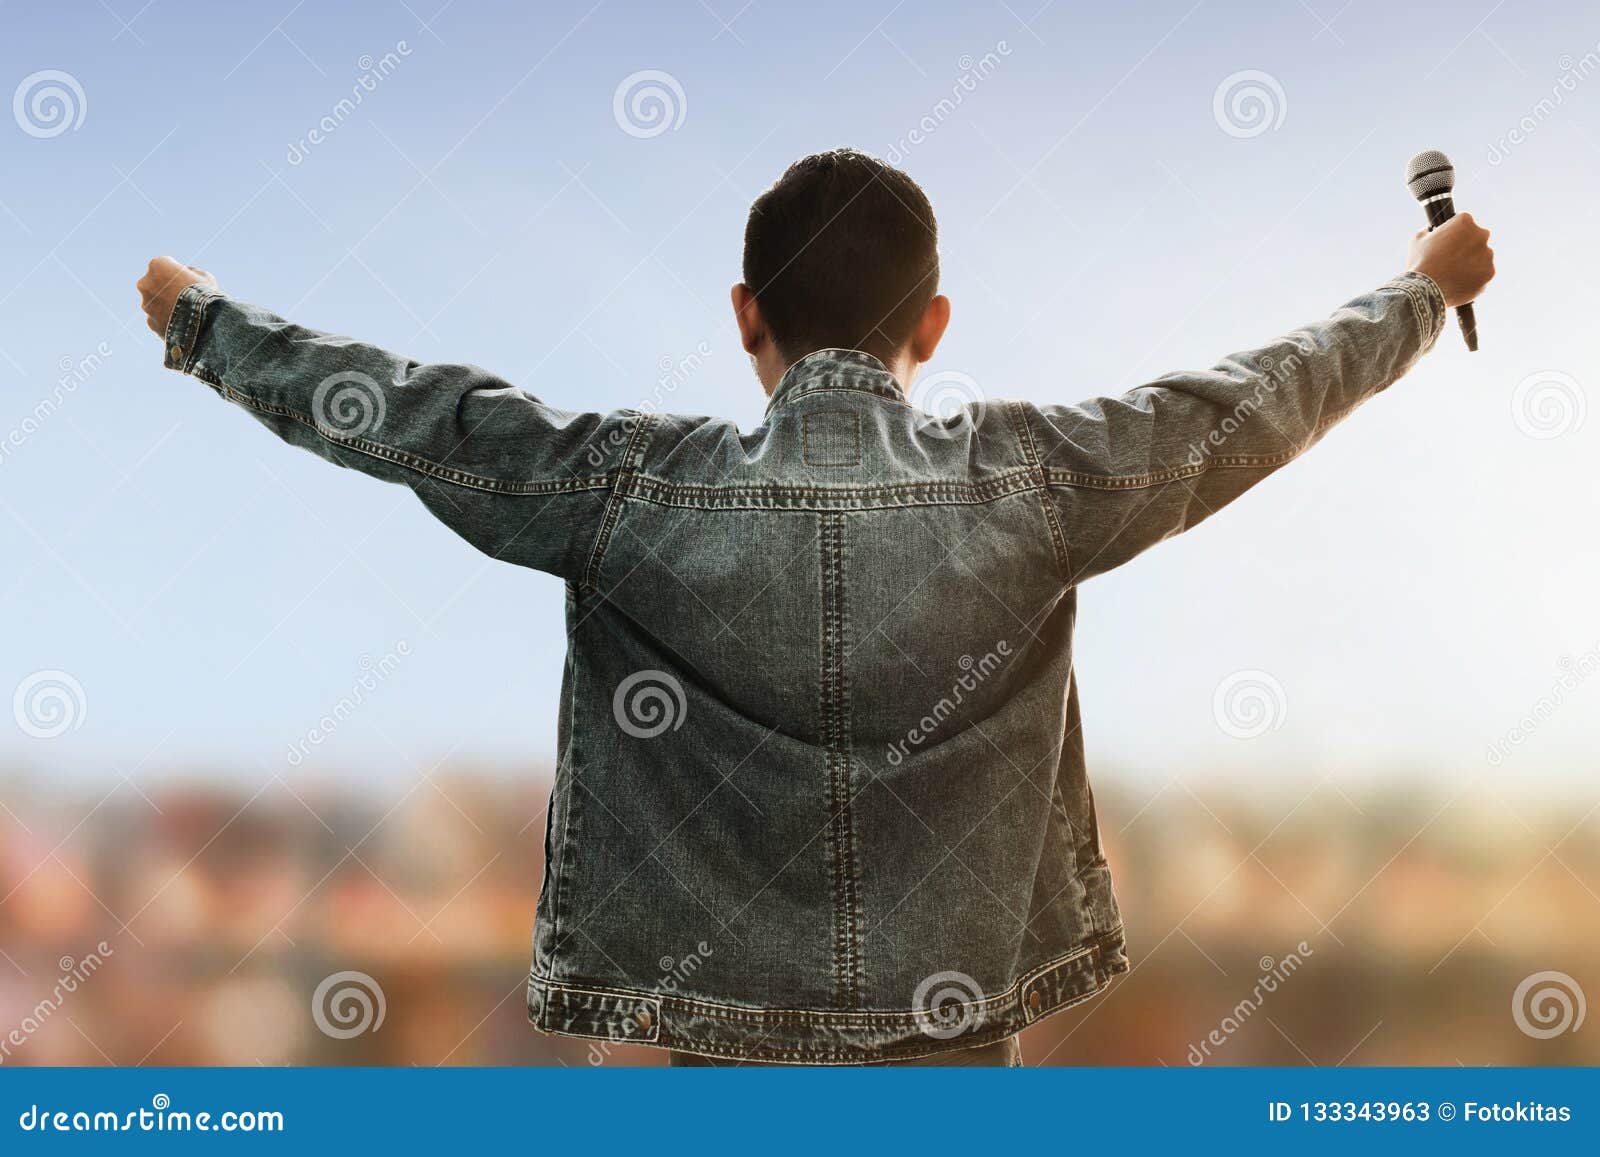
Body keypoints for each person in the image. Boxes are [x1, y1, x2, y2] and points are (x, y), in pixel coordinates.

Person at [136, 148, 1494, 1066]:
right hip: (957, 1037)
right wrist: (1423, 292)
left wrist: (205, 327)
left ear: (745, 315)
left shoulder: (629, 489)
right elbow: (1249, 405)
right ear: (935, 323)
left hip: (720, 1045)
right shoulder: (1029, 482)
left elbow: (421, 417)